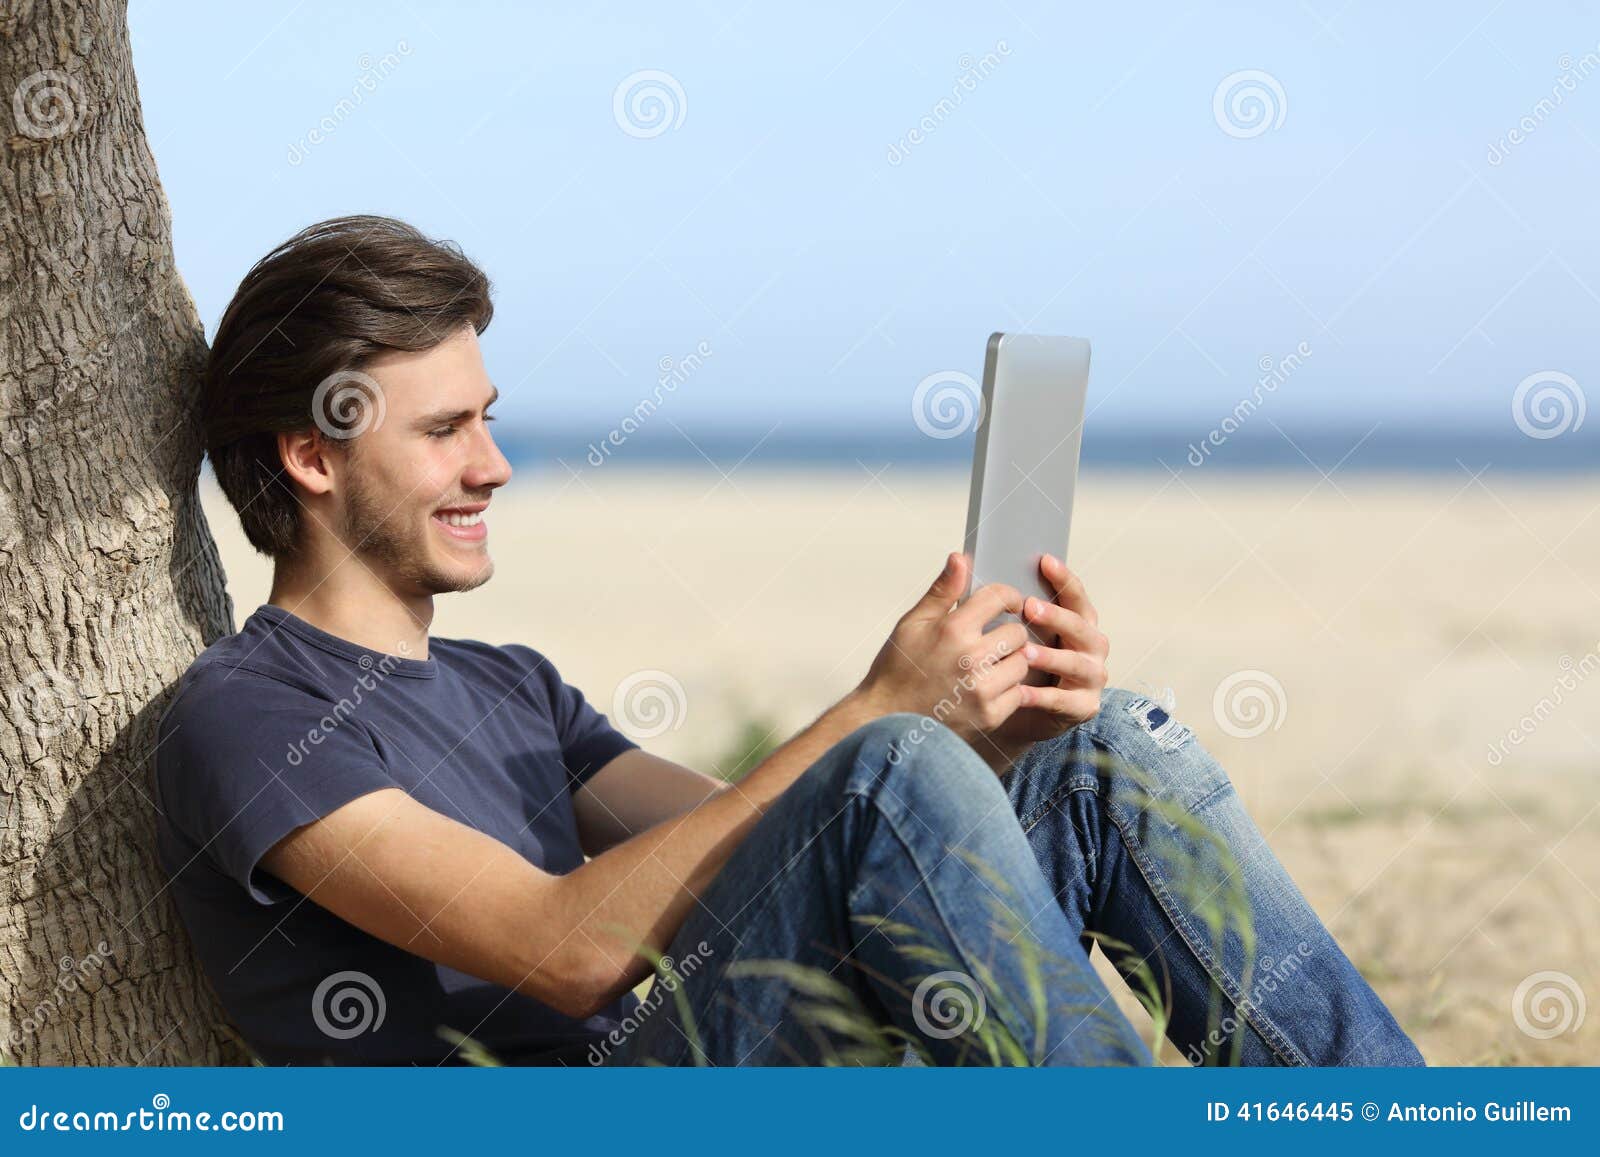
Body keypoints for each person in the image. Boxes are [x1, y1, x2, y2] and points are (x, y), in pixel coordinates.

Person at [155, 215, 1422, 1067]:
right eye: (443, 432)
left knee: (1092, 757)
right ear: (312, 453)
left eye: (488, 419)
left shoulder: (512, 688)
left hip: (710, 1053)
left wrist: (984, 736)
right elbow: (570, 948)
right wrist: (882, 713)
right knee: (887, 763)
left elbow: (806, 843)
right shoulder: (250, 712)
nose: (492, 464)